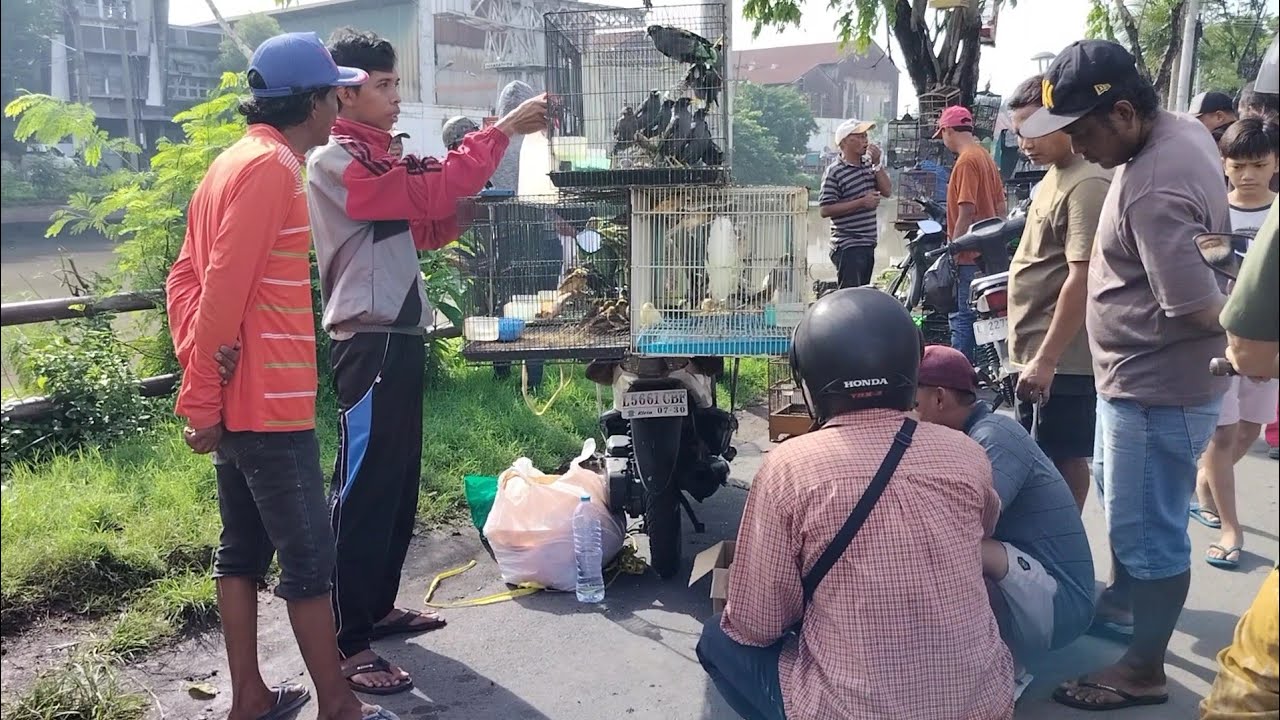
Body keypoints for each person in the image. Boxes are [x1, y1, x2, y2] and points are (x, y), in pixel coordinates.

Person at [306, 28, 547, 694]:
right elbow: (424, 195)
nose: (394, 97)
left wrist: (473, 203)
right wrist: (501, 131)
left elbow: (428, 223)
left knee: (397, 483)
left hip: (399, 336)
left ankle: (377, 607)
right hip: (369, 341)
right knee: (362, 490)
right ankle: (346, 642)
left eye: (395, 84)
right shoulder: (337, 161)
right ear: (344, 93)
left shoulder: (380, 158)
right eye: (383, 86)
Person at [165, 32, 397, 720]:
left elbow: (184, 279)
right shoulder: (271, 170)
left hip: (248, 402)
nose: (340, 107)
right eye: (335, 95)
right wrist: (200, 399)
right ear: (313, 102)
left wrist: (199, 362)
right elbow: (221, 288)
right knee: (309, 562)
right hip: (269, 408)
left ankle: (251, 697)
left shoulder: (230, 163)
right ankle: (338, 704)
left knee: (240, 554)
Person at [1021, 39, 1231, 711]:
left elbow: (1196, 308)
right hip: (1134, 383)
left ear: (1122, 113)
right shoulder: (1180, 129)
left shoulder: (1153, 185)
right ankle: (1124, 599)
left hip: (1154, 389)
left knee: (1150, 532)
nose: (1077, 146)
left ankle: (1143, 670)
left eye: (1083, 131)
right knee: (1127, 503)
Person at [696, 288, 1013, 720]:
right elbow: (983, 531)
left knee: (716, 638)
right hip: (983, 705)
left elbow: (758, 625)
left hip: (849, 710)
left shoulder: (789, 467)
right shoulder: (966, 453)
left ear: (810, 382)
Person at [914, 345, 1095, 673]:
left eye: (912, 404)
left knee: (951, 545)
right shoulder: (971, 436)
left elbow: (966, 526)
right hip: (1034, 584)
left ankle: (1001, 667)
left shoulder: (994, 437)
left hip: (1062, 605)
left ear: (939, 398)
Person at [1004, 74, 1112, 512]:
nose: (1025, 143)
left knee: (1063, 457)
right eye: (1018, 133)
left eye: (1034, 129)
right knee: (1038, 452)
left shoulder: (1087, 182)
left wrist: (1047, 359)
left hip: (1062, 358)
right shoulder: (1055, 173)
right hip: (1036, 349)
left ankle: (1064, 540)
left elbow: (1082, 277)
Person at [1192, 118, 1279, 570]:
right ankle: (1231, 528)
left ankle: (1205, 482)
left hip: (1268, 346)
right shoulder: (1212, 213)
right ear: (1223, 163)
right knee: (1222, 433)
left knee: (1249, 429)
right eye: (1238, 165)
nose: (1247, 175)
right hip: (1215, 344)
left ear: (1275, 164)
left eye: (1258, 165)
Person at [937, 105, 1007, 362]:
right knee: (985, 313)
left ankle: (958, 370)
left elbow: (966, 211)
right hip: (989, 253)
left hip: (969, 255)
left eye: (942, 134)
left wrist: (953, 250)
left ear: (948, 130)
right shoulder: (985, 156)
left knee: (963, 316)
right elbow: (1001, 208)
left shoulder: (966, 161)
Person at [818, 119, 892, 289]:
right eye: (859, 137)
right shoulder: (835, 171)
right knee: (851, 295)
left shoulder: (868, 166)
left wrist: (877, 164)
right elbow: (825, 209)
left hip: (868, 243)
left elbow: (887, 191)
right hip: (848, 245)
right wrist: (861, 202)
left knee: (862, 293)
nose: (865, 141)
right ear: (844, 142)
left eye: (865, 136)